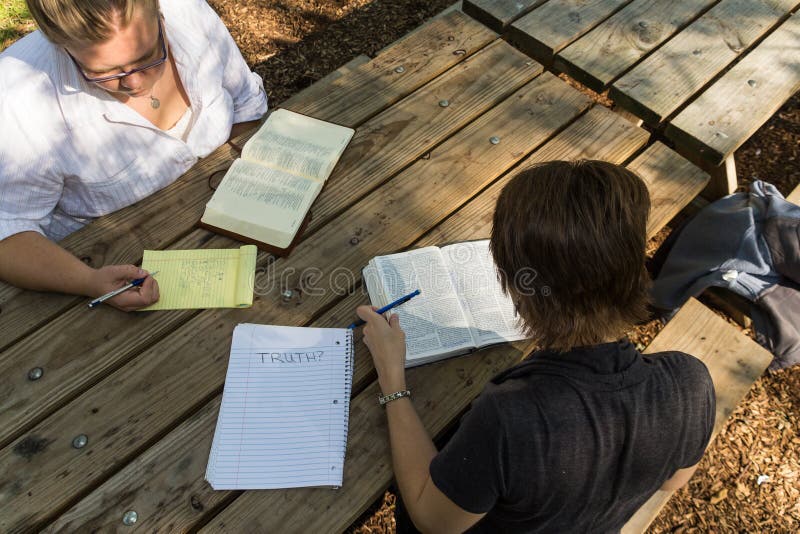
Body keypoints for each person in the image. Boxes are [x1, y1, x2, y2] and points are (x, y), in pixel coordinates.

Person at [356, 160, 716, 533]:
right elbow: (672, 480)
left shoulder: (512, 417)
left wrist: (391, 380)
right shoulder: (691, 383)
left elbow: (433, 521)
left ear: (517, 287)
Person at [0, 0, 267, 311]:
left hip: (242, 238)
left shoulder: (186, 10)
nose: (135, 83)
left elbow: (246, 105)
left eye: (148, 56)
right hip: (110, 279)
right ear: (60, 44)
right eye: (104, 73)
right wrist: (88, 281)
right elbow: (8, 231)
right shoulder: (18, 98)